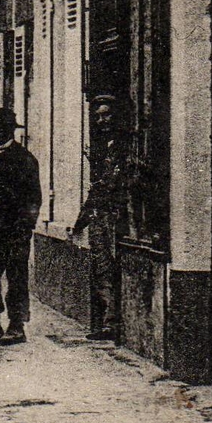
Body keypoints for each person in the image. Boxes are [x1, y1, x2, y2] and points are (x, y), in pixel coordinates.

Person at [0, 108, 41, 346]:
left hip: (14, 232)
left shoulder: (24, 159)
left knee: (16, 279)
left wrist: (24, 229)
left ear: (11, 130)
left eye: (2, 127)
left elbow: (33, 199)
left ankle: (16, 325)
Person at [71, 94, 134, 341]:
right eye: (97, 115)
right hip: (100, 216)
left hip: (115, 216)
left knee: (108, 269)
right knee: (102, 269)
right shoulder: (101, 144)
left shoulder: (123, 145)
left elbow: (110, 184)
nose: (101, 120)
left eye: (106, 114)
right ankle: (107, 321)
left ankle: (111, 323)